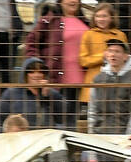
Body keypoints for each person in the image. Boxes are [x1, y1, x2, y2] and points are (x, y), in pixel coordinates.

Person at [24, 0, 89, 129]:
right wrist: (37, 66)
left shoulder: (86, 22)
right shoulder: (49, 20)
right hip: (56, 80)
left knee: (72, 124)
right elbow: (31, 42)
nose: (73, 1)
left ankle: (71, 148)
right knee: (55, 123)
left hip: (82, 81)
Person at [89, 37, 131, 134]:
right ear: (106, 54)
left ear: (126, 56)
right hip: (99, 135)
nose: (113, 54)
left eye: (117, 51)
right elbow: (92, 110)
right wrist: (92, 134)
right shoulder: (97, 79)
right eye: (110, 51)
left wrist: (130, 137)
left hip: (124, 137)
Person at [80, 3, 129, 106]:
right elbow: (83, 61)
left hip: (116, 83)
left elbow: (126, 58)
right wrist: (102, 57)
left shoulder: (120, 35)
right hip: (93, 83)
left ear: (111, 17)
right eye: (97, 16)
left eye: (104, 16)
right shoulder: (88, 34)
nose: (101, 19)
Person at [0, 57, 62, 129]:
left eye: (40, 72)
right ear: (25, 74)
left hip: (47, 137)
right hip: (19, 137)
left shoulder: (51, 93)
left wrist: (47, 96)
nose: (36, 75)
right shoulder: (11, 93)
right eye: (32, 72)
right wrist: (5, 136)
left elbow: (64, 117)